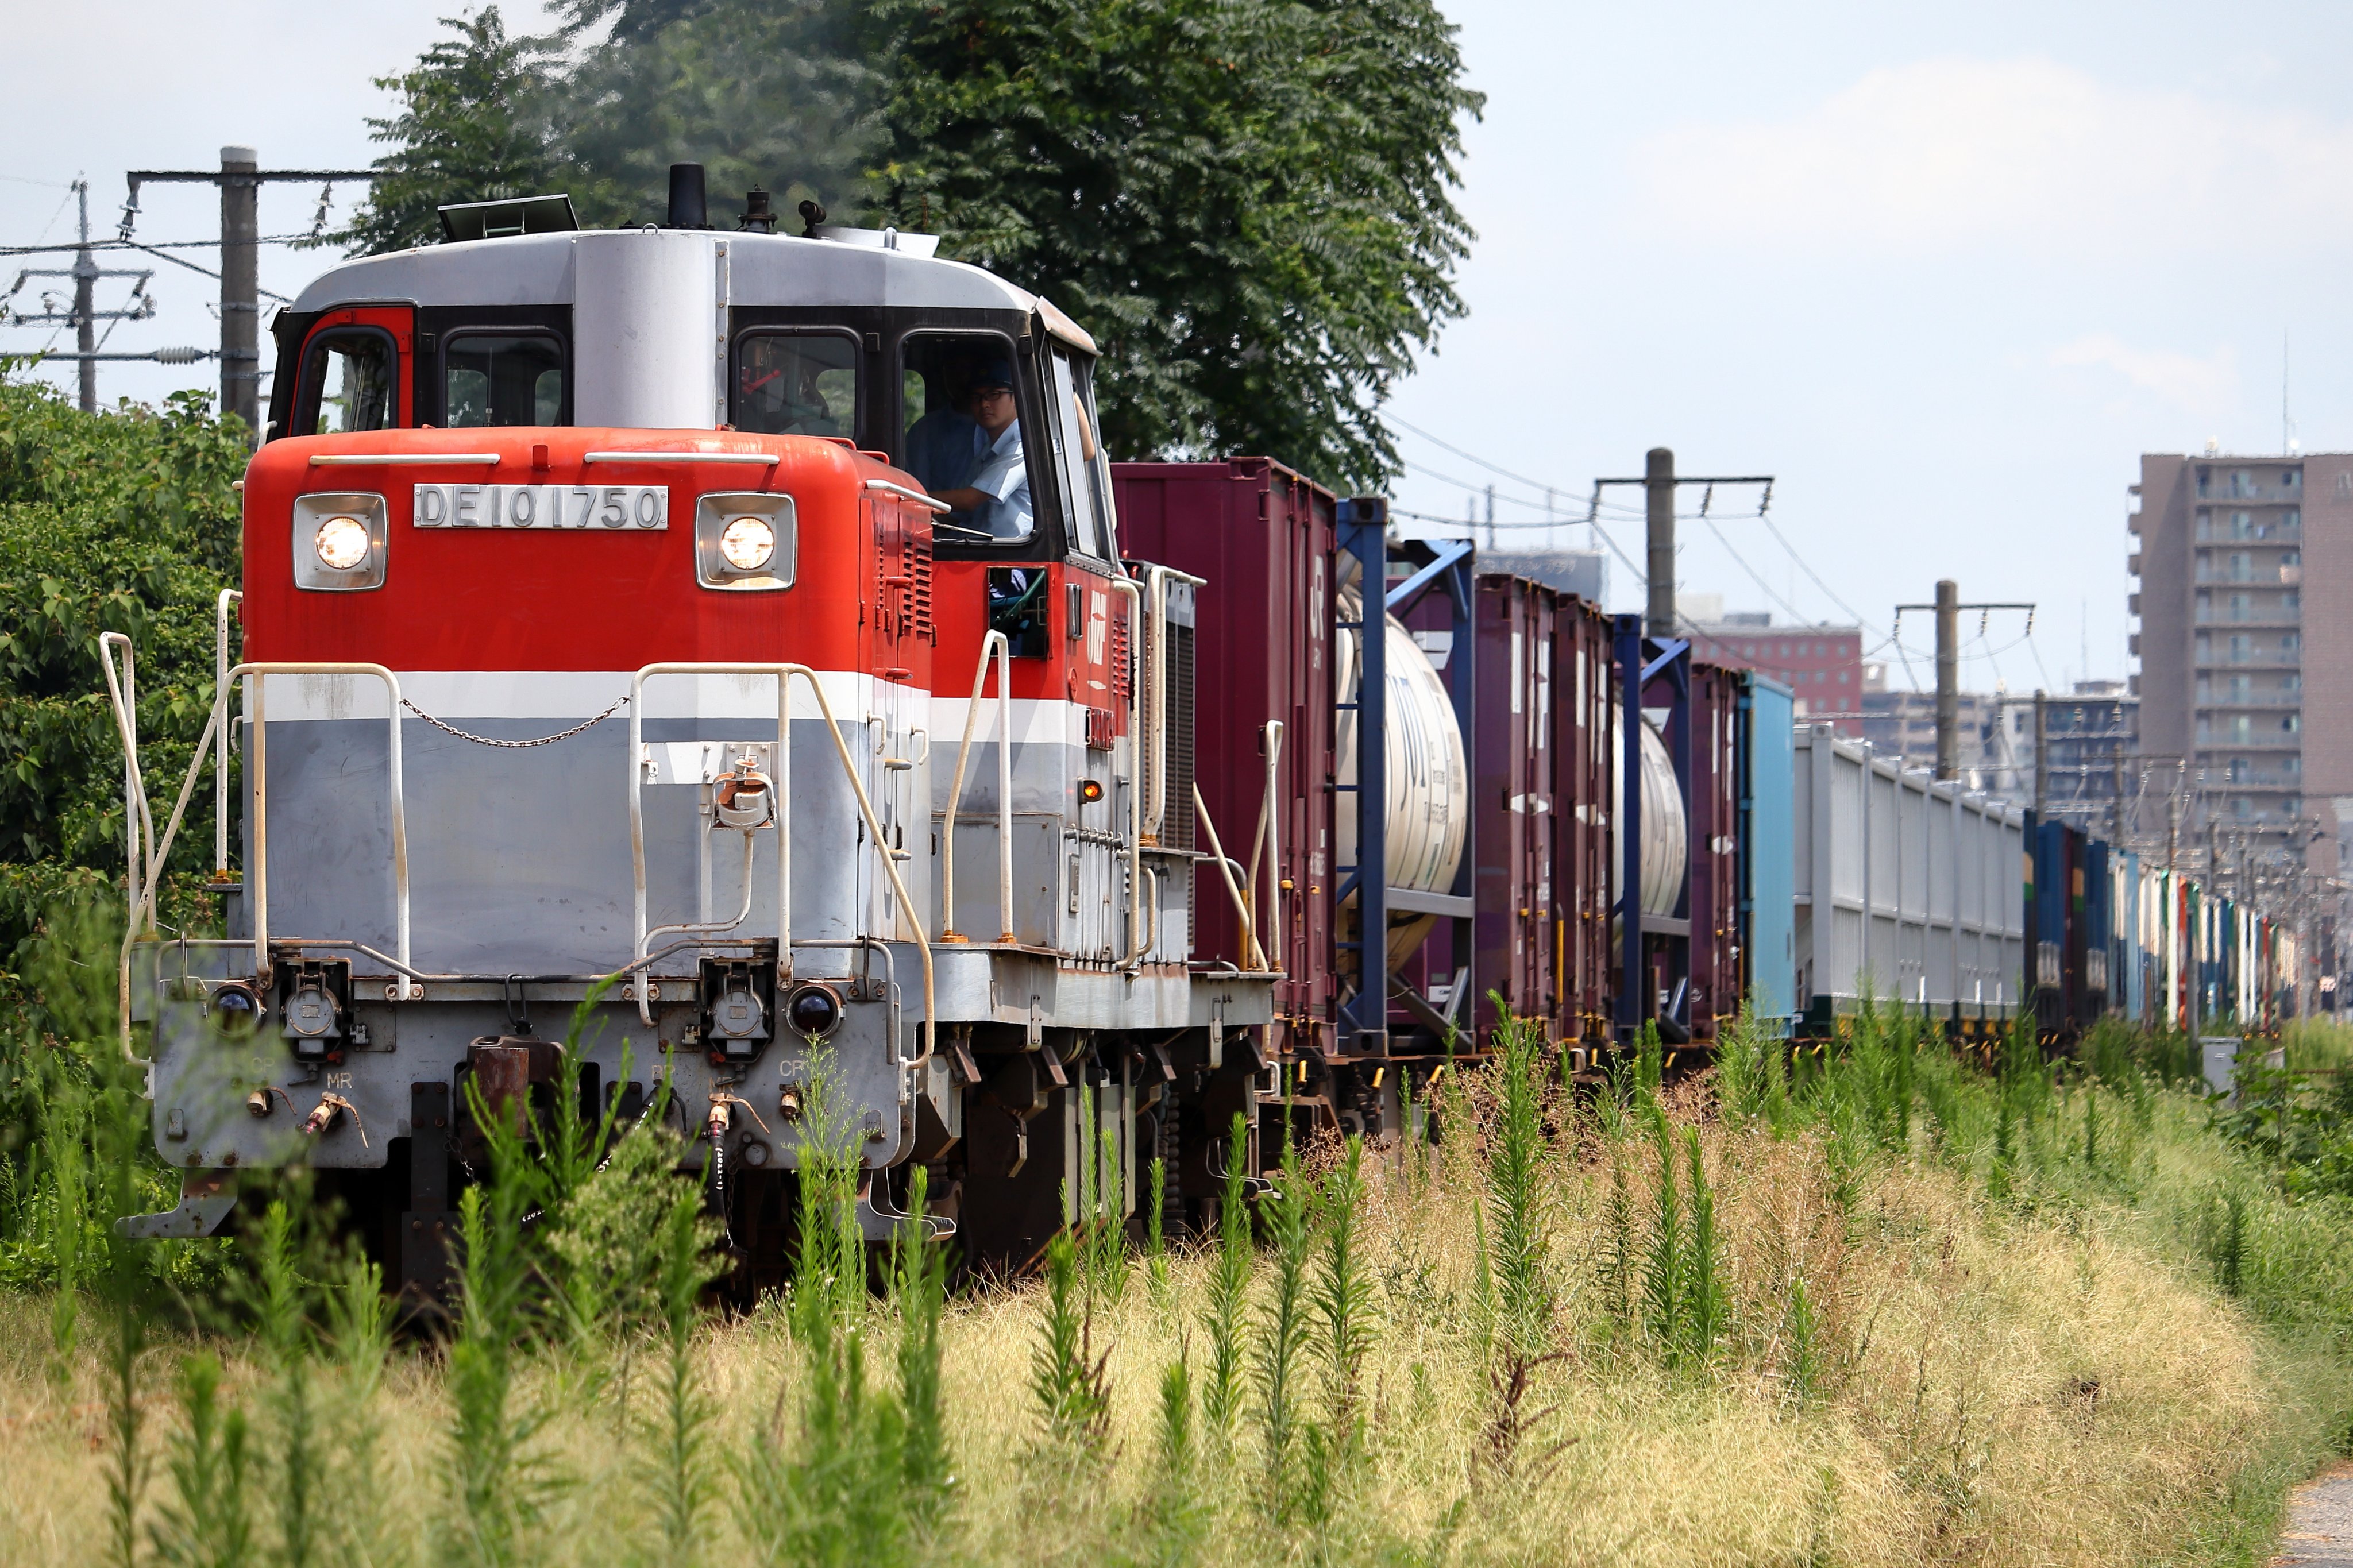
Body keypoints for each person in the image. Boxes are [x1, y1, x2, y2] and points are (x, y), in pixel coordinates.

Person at [932, 361, 1032, 539]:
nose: (984, 404)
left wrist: (909, 496)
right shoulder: (987, 450)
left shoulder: (1021, 445)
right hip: (978, 547)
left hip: (1011, 557)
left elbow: (970, 499)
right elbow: (956, 513)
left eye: (994, 395)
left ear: (1016, 398)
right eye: (976, 397)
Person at [903, 357, 986, 494]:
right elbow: (917, 491)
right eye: (953, 370)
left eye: (966, 369)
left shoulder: (998, 428)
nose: (960, 378)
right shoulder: (925, 430)